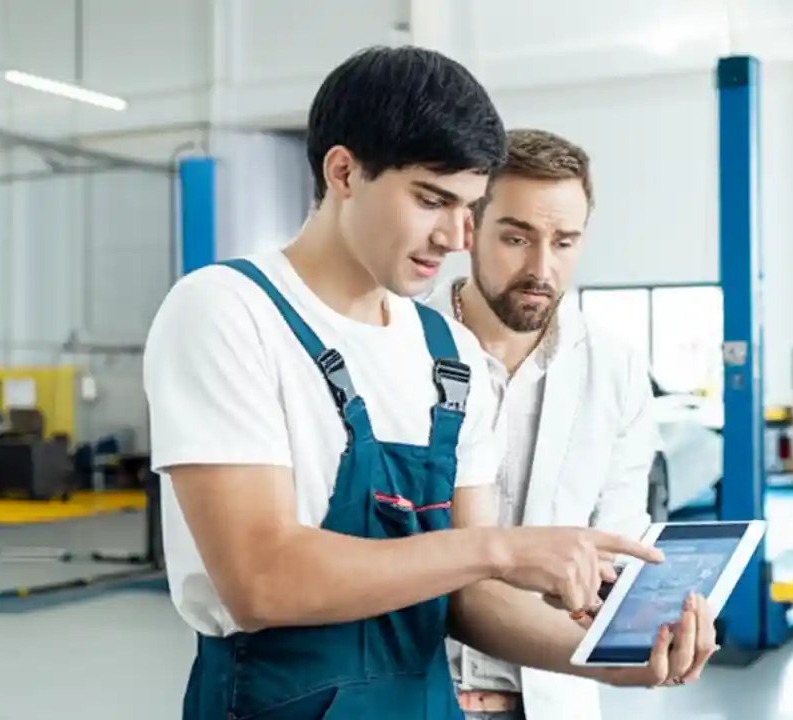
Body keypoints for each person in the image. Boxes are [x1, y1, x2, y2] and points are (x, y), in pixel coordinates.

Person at [142, 46, 718, 720]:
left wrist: (609, 659)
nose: (455, 237)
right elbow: (260, 580)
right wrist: (500, 549)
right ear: (343, 172)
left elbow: (468, 598)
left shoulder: (448, 355)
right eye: (431, 200)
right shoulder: (229, 312)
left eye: (469, 206)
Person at [427, 129, 662, 720]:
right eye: (516, 238)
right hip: (418, 692)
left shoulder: (614, 368)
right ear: (469, 228)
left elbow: (620, 541)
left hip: (553, 697)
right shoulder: (399, 345)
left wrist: (663, 617)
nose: (541, 268)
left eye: (564, 242)